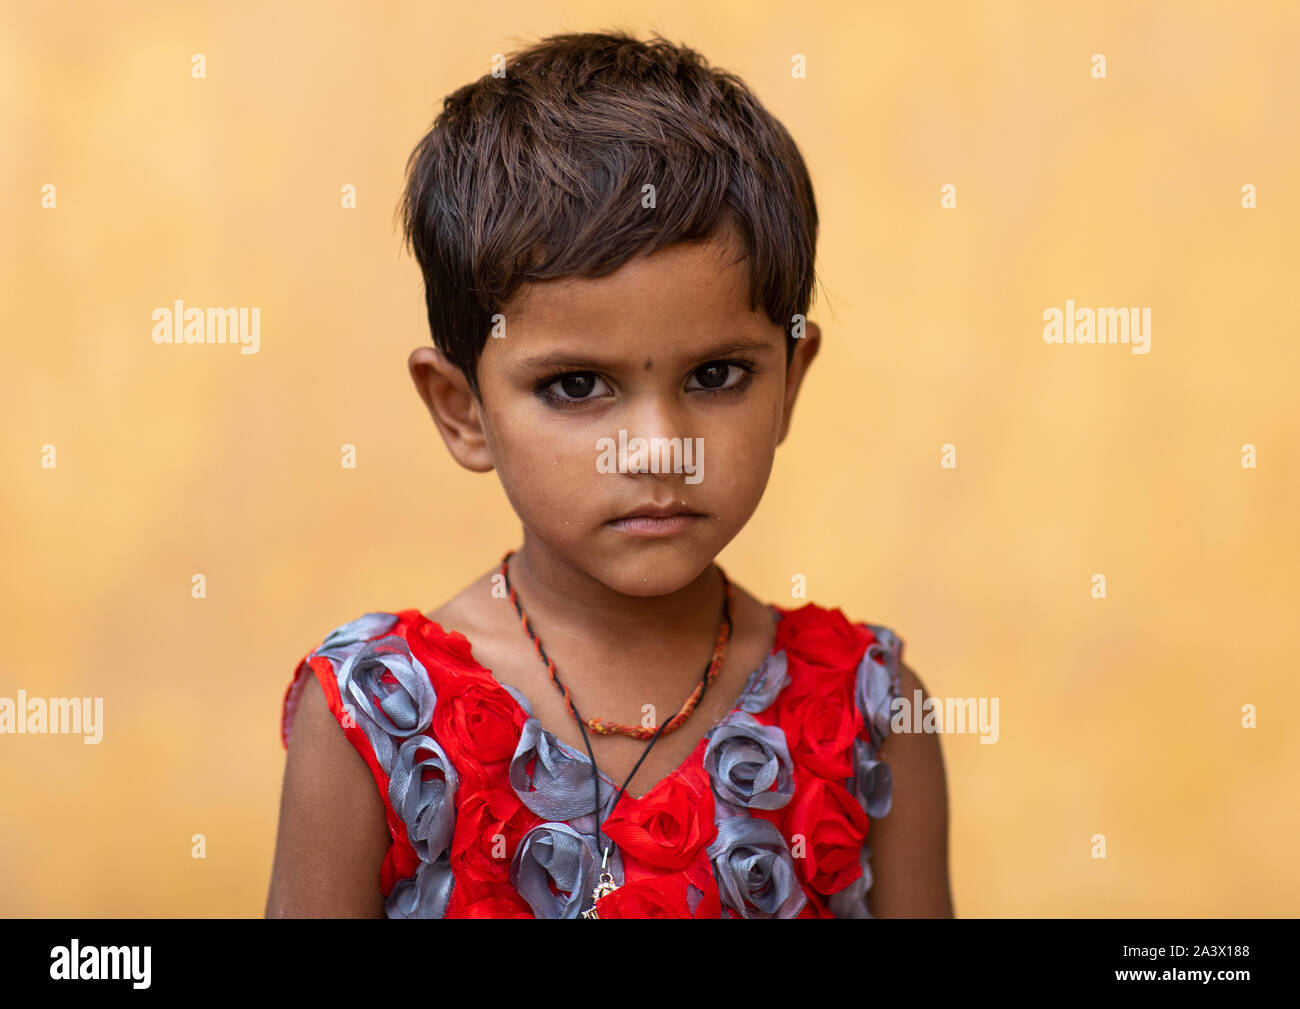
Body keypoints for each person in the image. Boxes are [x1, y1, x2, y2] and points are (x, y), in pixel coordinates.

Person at [266, 29, 953, 919]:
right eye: (576, 386)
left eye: (716, 375)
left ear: (790, 382)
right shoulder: (376, 721)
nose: (658, 447)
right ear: (460, 407)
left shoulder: (872, 717)